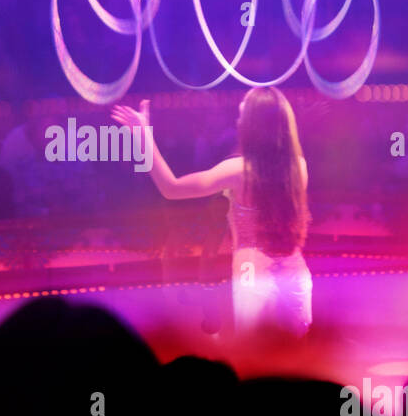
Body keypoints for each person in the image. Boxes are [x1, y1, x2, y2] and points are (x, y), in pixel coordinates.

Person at [112, 86, 312, 336]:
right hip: (295, 268)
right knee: (296, 353)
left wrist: (143, 137)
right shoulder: (299, 167)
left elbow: (171, 188)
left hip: (252, 268)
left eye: (242, 116)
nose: (238, 122)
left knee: (259, 353)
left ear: (253, 126)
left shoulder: (239, 170)